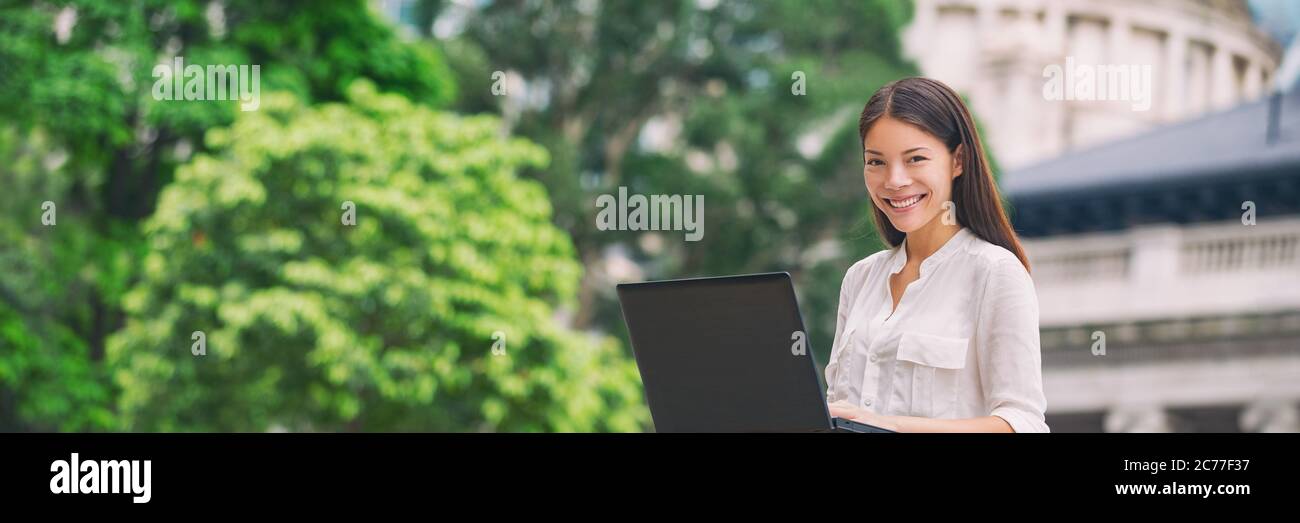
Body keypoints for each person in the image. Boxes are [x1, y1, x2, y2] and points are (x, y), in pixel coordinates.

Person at [825, 77, 1050, 433]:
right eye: (876, 162)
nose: (894, 180)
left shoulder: (995, 273)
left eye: (915, 159)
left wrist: (889, 426)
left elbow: (1022, 423)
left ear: (957, 160)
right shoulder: (860, 278)